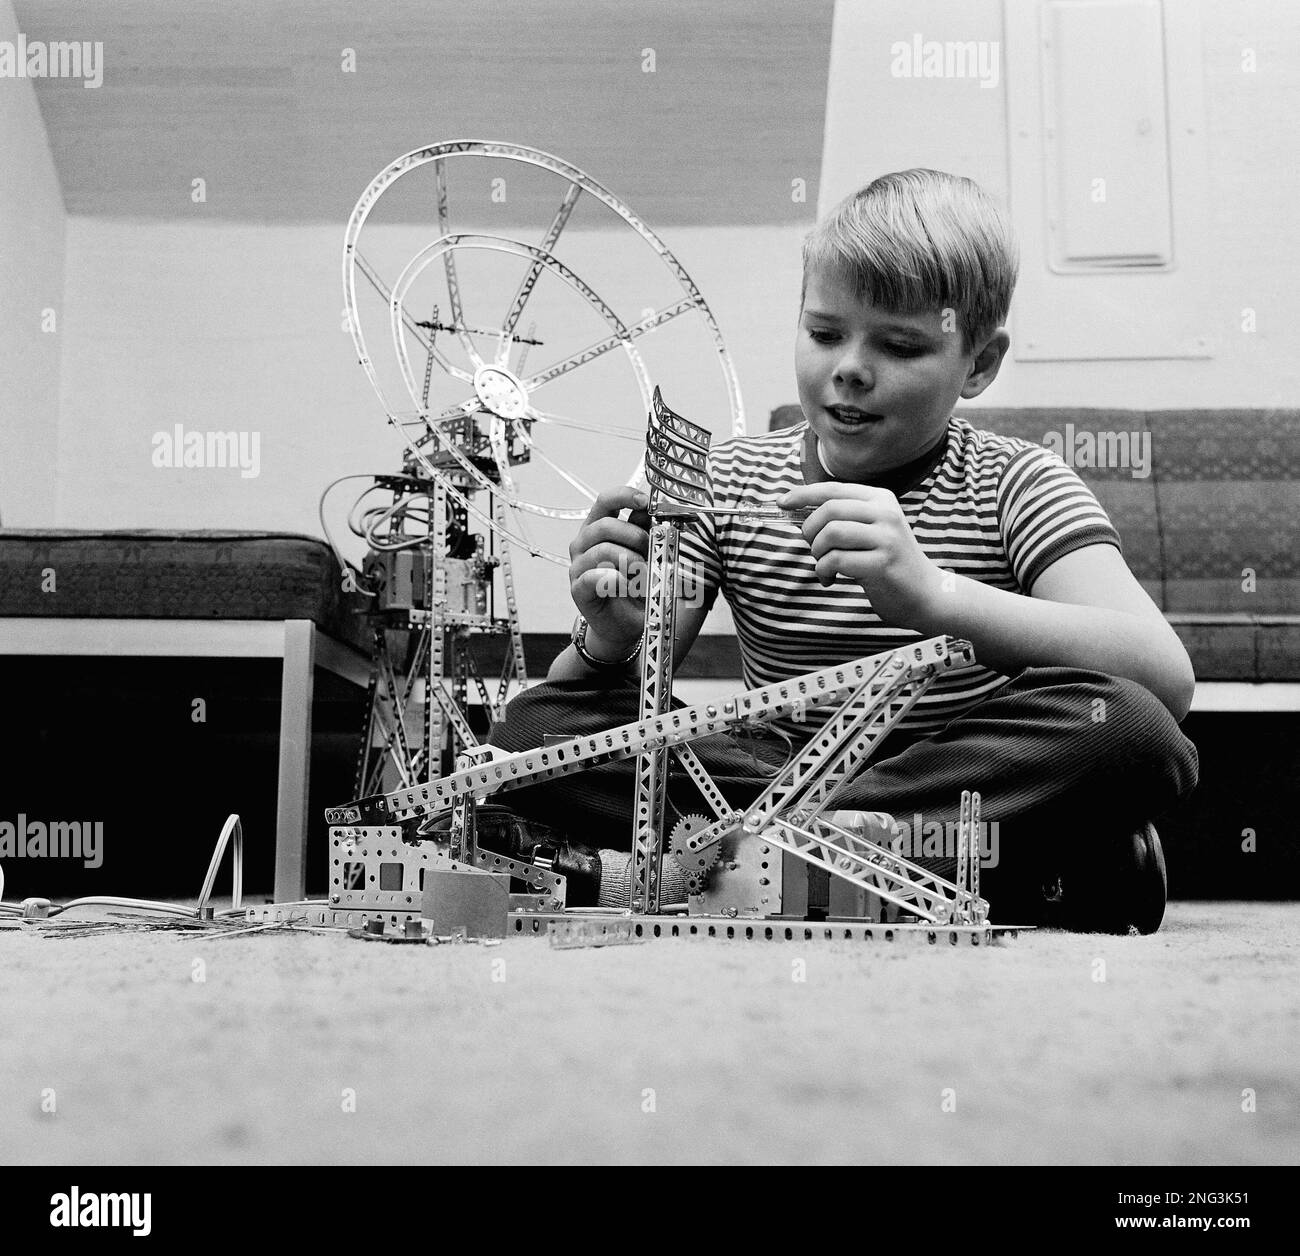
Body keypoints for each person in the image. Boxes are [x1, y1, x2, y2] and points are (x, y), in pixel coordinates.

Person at [485, 168, 1198, 932]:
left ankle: (759, 859)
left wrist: (932, 596)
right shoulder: (728, 478)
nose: (850, 367)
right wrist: (610, 642)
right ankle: (1010, 873)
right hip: (780, 771)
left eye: (899, 345)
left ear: (980, 365)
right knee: (535, 728)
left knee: (1129, 727)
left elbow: (1164, 674)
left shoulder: (1018, 482)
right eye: (825, 333)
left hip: (968, 774)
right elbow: (626, 704)